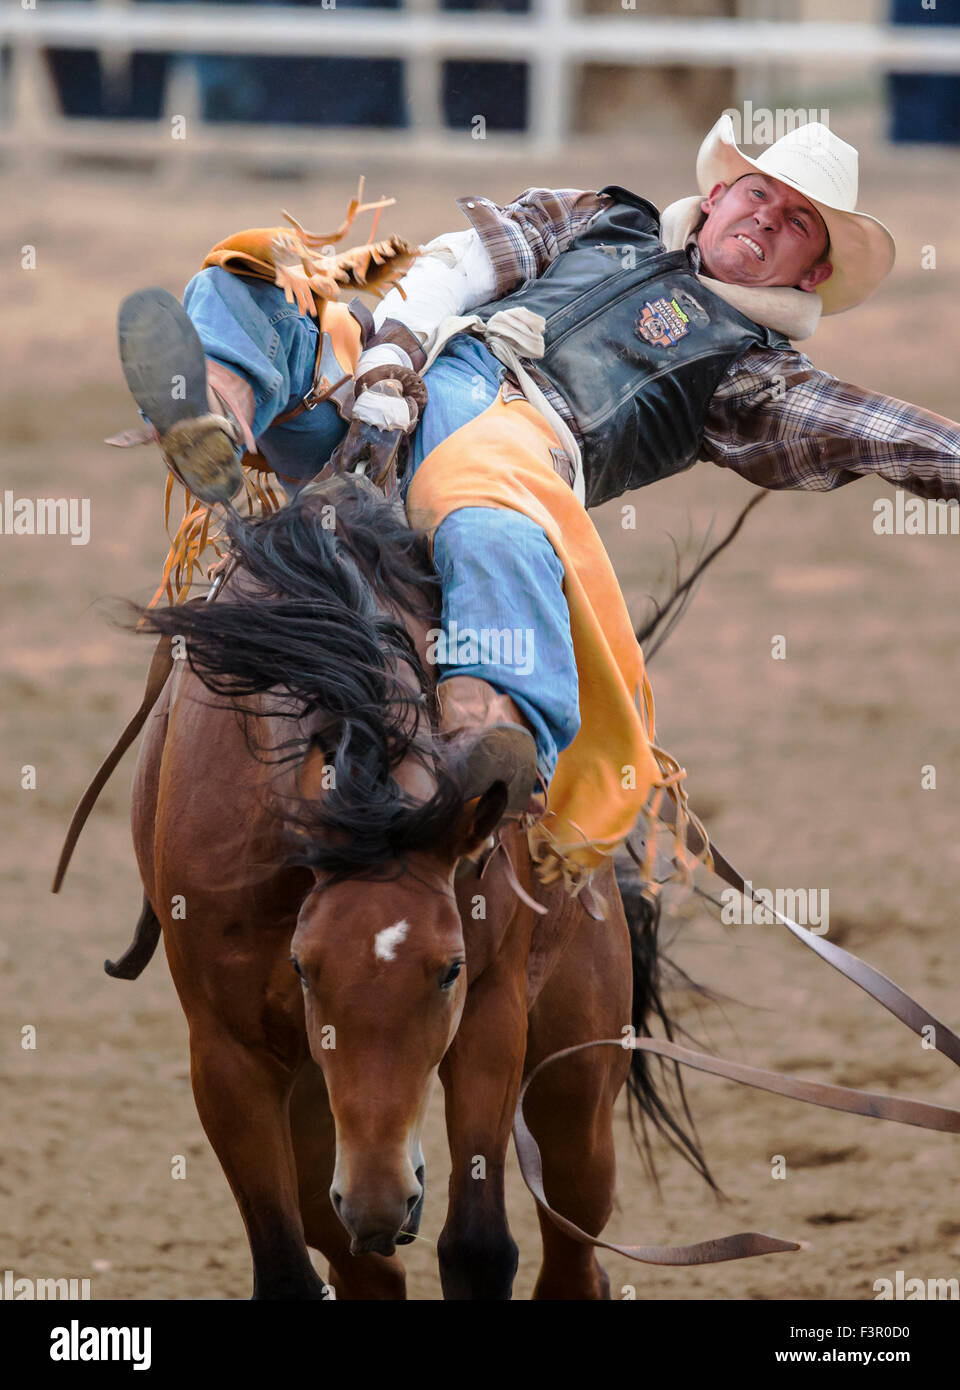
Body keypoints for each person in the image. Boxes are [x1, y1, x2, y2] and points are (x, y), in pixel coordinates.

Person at [117, 114, 957, 846]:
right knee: (252, 278)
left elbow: (885, 432)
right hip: (394, 376)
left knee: (491, 514)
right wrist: (390, 353)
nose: (768, 218)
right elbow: (459, 266)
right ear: (720, 196)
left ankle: (491, 725)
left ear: (811, 273)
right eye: (760, 195)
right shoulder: (600, 216)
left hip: (519, 440)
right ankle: (219, 414)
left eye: (799, 222)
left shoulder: (753, 374)